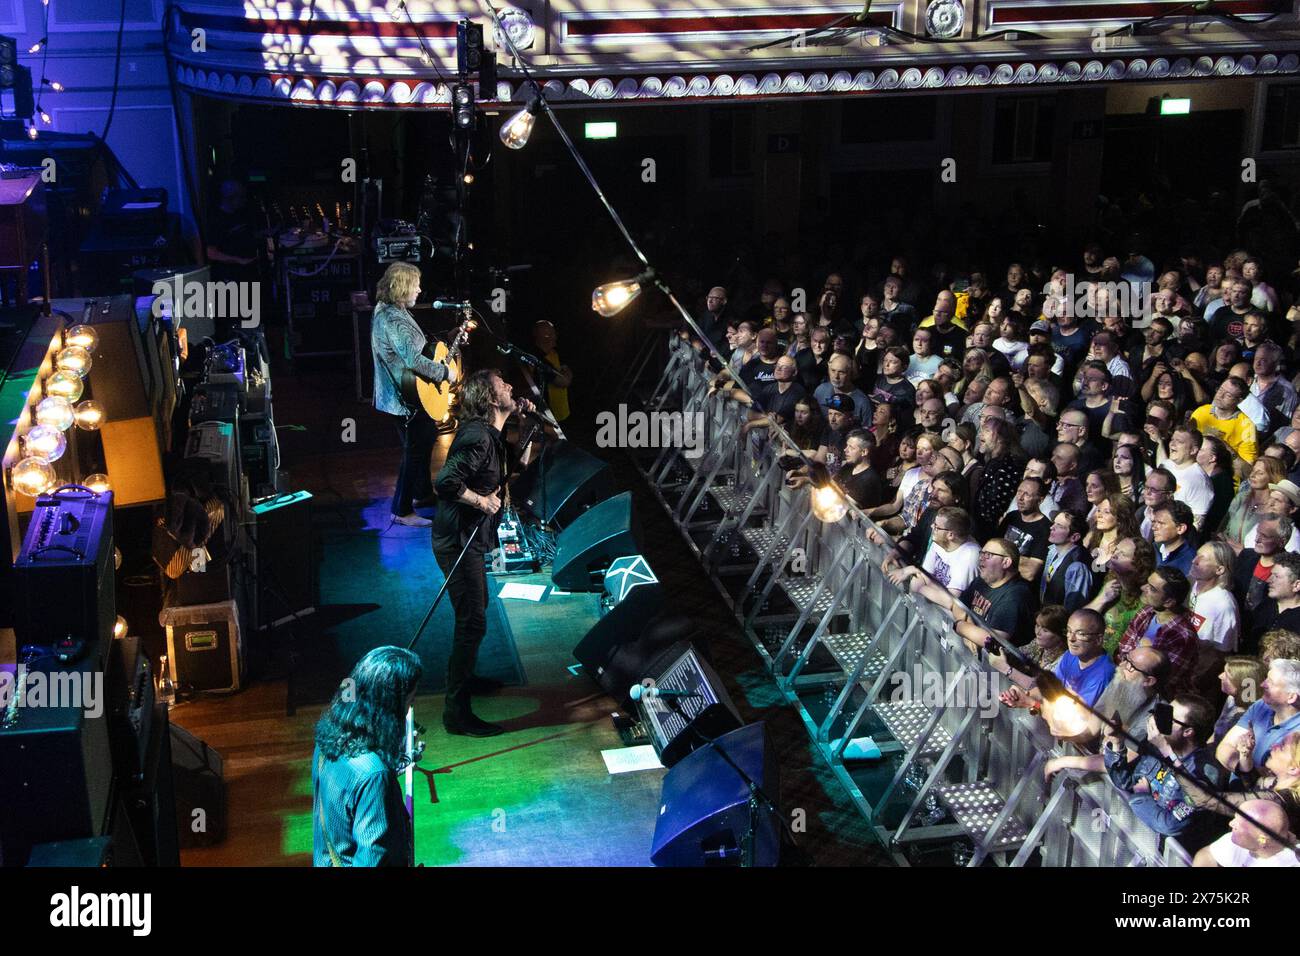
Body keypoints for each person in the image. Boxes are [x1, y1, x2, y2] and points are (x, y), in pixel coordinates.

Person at [431, 370, 535, 737]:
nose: (510, 386)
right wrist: (481, 500)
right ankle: (455, 713)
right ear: (491, 399)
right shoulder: (477, 437)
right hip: (456, 542)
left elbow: (517, 466)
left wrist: (522, 423)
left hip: (469, 540)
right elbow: (445, 482)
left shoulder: (491, 435)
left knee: (475, 612)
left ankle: (467, 678)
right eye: (502, 384)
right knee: (472, 620)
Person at [313, 646, 422, 867]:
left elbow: (346, 801)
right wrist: (384, 779)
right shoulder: (374, 776)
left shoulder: (329, 735)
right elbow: (373, 861)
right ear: (390, 708)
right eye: (410, 700)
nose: (412, 706)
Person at [371, 261, 455, 527]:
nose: (420, 289)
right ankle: (402, 509)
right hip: (405, 398)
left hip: (407, 395)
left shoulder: (390, 310)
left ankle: (422, 495)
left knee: (424, 439)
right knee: (415, 450)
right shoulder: (392, 318)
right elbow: (413, 361)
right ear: (403, 286)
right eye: (416, 284)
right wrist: (446, 374)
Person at [1104, 695, 1224, 839]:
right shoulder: (1157, 747)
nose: (1158, 721)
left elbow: (1169, 825)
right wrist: (1117, 743)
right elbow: (1125, 781)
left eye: (1168, 718)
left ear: (1188, 732)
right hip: (1140, 835)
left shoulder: (1206, 774)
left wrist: (1143, 797)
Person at [1116, 568, 1201, 693]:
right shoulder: (1146, 612)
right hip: (1126, 681)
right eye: (1147, 583)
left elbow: (1165, 680)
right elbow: (1123, 648)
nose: (1143, 588)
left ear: (1168, 602)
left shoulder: (1182, 636)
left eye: (1152, 589)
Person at [1216, 658, 1300, 777]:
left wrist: (1248, 770)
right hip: (1234, 790)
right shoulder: (1261, 706)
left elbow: (1284, 780)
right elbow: (1225, 748)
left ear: (1291, 697)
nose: (1262, 684)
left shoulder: (1297, 735)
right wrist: (1248, 771)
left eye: (1271, 682)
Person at [889, 506, 981, 598]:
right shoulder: (940, 541)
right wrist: (919, 576)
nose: (932, 527)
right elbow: (925, 575)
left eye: (936, 526)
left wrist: (916, 576)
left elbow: (951, 600)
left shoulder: (969, 555)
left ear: (950, 535)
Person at [1194, 800, 1300, 868]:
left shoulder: (1291, 862)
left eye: (1239, 824)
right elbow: (1207, 854)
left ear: (1262, 840)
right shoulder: (1242, 841)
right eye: (1235, 818)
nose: (1231, 823)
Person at [999, 477, 1052, 585]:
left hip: (1018, 586)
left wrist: (1000, 556)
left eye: (1027, 494)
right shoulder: (1011, 516)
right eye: (1019, 492)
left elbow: (1030, 573)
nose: (1020, 498)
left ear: (1040, 500)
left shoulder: (1045, 529)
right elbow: (991, 548)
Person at [1040, 510, 1094, 612]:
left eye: (1059, 526)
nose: (1052, 528)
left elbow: (1073, 607)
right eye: (1054, 523)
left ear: (1074, 537)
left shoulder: (1077, 567)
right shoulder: (1052, 551)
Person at [532, 320, 572, 423]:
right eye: (553, 333)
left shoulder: (555, 353)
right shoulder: (538, 361)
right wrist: (565, 376)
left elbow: (567, 372)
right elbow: (564, 381)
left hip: (563, 413)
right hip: (551, 418)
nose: (556, 336)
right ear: (545, 336)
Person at [1150, 501, 1197, 577]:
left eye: (1161, 523)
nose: (1154, 528)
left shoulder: (1191, 564)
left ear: (1180, 528)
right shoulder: (1151, 550)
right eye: (1154, 522)